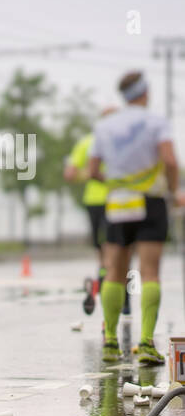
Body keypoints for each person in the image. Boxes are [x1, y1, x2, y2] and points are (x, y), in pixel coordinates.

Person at [87, 71, 181, 365]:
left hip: (118, 202)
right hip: (151, 201)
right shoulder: (155, 122)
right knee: (150, 272)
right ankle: (146, 344)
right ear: (145, 92)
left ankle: (111, 343)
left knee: (115, 270)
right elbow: (169, 160)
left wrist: (117, 182)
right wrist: (174, 190)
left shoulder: (105, 125)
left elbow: (92, 170)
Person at [63, 107, 118, 316]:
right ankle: (114, 285)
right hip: (119, 199)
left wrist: (88, 174)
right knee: (119, 247)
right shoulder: (122, 142)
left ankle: (102, 278)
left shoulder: (87, 142)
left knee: (102, 247)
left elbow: (70, 174)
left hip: (94, 200)